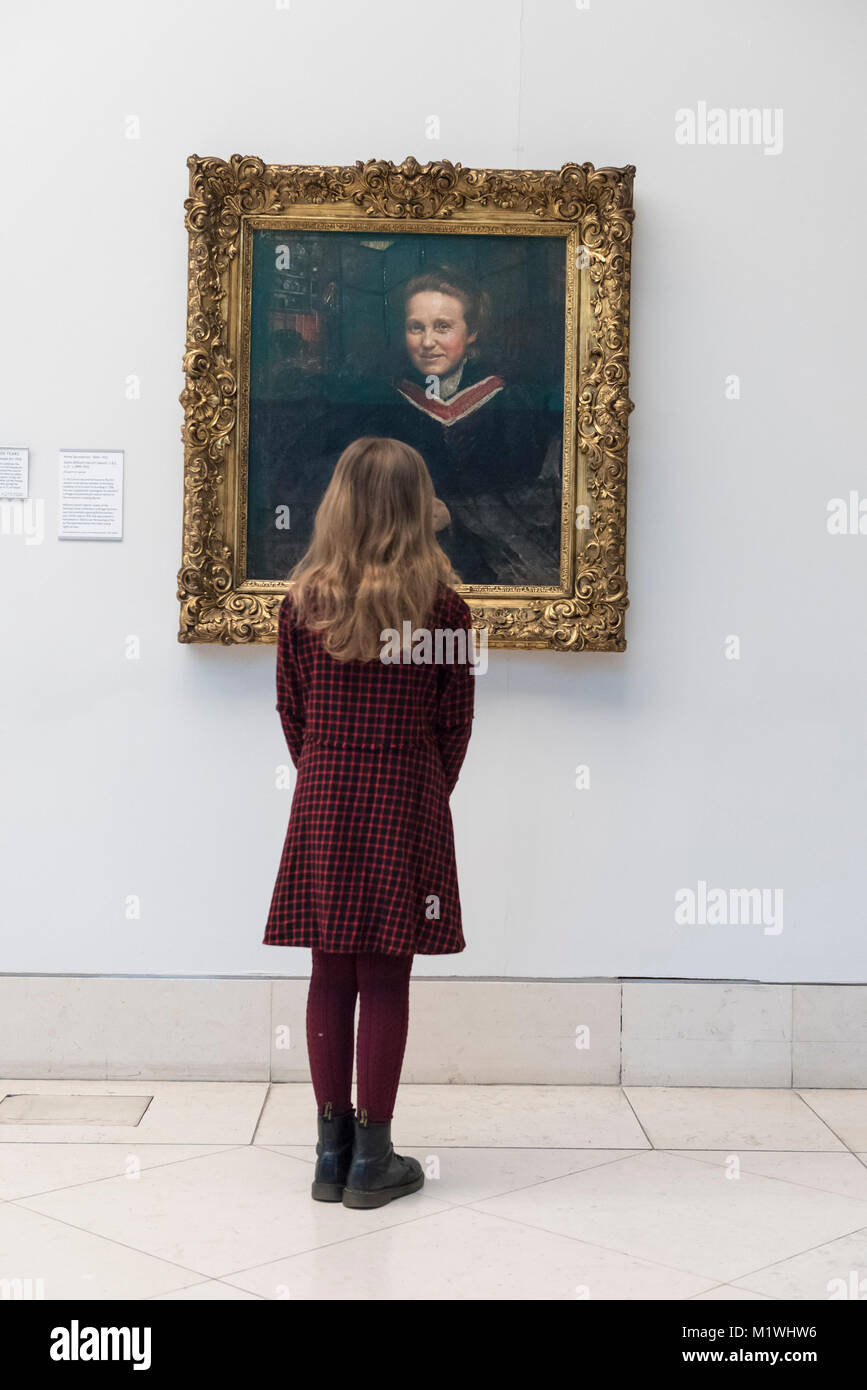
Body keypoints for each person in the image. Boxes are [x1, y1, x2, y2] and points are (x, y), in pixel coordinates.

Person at [263, 436, 476, 1209]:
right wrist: (420, 789)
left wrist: (327, 770)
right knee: (386, 973)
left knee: (329, 968)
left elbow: (291, 711)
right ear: (418, 508)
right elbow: (454, 724)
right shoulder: (443, 608)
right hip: (406, 793)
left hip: (323, 792)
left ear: (338, 504)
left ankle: (330, 1155)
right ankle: (372, 1160)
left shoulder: (302, 602)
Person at [378, 267, 562, 584]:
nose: (427, 342)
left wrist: (454, 514)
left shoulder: (510, 403)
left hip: (489, 565)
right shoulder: (386, 402)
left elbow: (536, 499)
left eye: (443, 327)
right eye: (416, 327)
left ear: (472, 331)